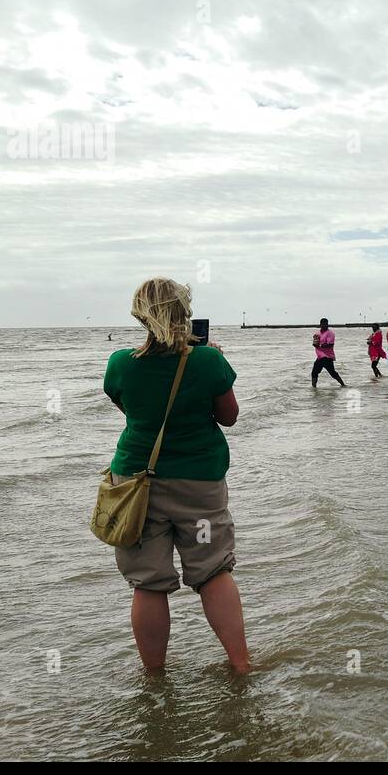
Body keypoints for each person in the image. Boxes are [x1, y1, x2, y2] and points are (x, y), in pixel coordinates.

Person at [103, 277, 248, 674]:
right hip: (198, 482)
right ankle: (240, 665)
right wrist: (212, 359)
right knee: (214, 571)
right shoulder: (208, 361)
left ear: (141, 314)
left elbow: (132, 413)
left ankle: (155, 677)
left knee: (147, 582)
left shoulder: (120, 363)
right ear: (184, 312)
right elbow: (229, 418)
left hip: (135, 483)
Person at [311, 318, 345, 388]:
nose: (325, 326)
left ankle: (343, 385)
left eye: (326, 324)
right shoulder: (317, 333)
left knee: (332, 373)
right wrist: (314, 344)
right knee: (315, 373)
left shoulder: (330, 333)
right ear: (320, 325)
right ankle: (314, 388)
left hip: (327, 357)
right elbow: (315, 343)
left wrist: (320, 345)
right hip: (320, 356)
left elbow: (330, 345)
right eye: (323, 325)